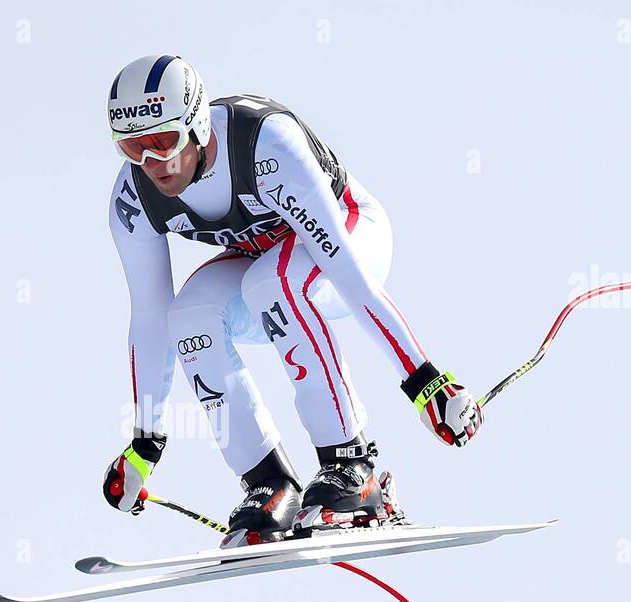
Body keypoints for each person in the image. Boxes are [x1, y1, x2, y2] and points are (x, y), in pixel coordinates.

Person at [103, 54, 483, 547]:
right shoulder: (133, 199)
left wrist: (425, 382)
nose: (152, 164)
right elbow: (149, 318)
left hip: (351, 241)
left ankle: (352, 466)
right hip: (265, 265)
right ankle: (270, 484)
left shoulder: (265, 144)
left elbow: (347, 269)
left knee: (272, 281)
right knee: (188, 314)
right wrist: (144, 444)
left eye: (163, 142)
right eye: (133, 147)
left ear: (196, 123)